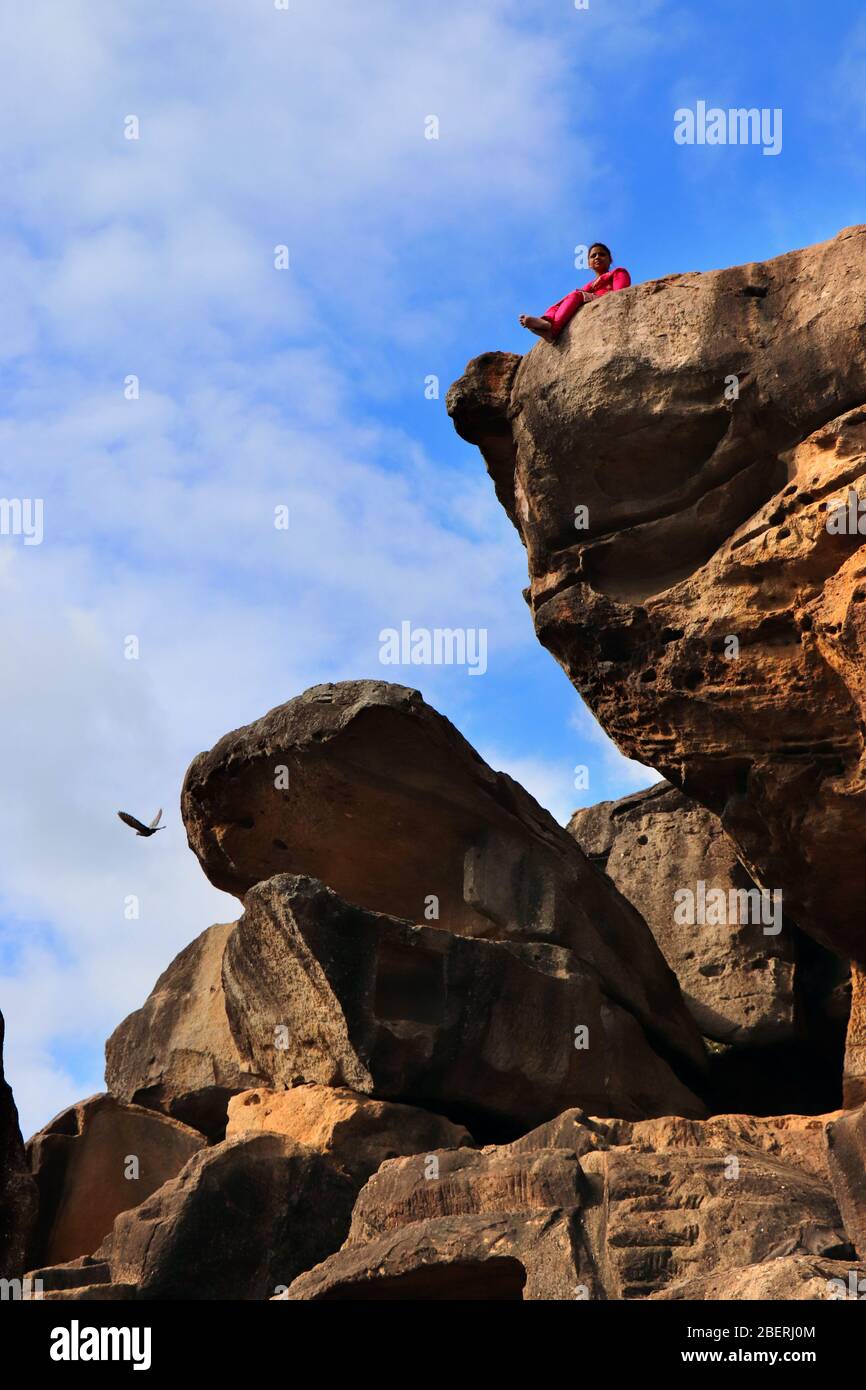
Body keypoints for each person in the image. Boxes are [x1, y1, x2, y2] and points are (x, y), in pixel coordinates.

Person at [520, 243, 631, 340]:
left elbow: (620, 294)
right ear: (589, 263)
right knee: (556, 305)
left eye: (602, 254)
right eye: (593, 256)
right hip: (589, 298)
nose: (597, 257)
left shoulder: (618, 271)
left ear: (610, 259)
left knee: (576, 294)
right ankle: (545, 321)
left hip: (604, 299)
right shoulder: (589, 284)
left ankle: (552, 331)